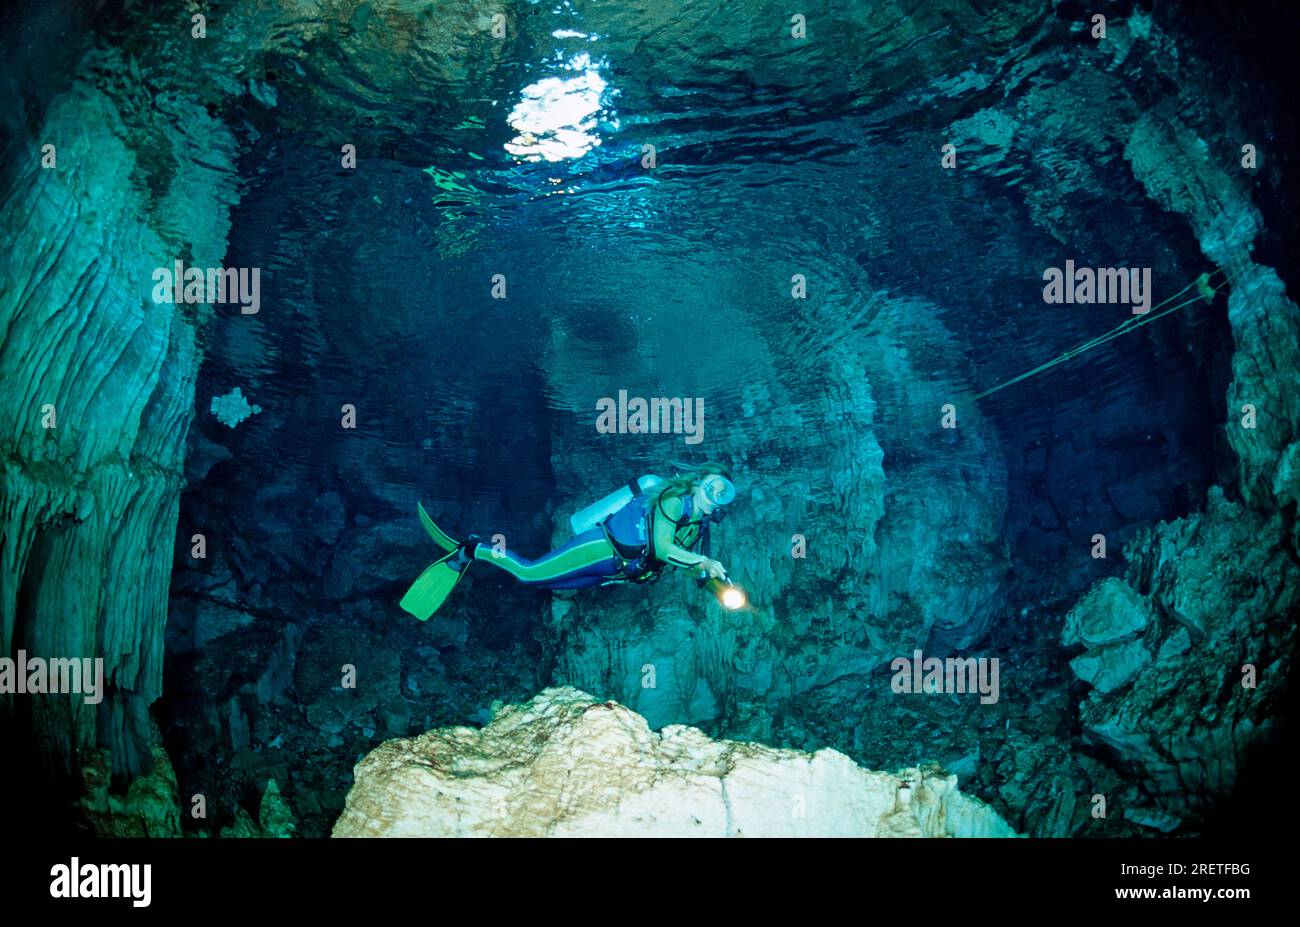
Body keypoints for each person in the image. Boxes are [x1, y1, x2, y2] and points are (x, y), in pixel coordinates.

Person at [399, 463, 736, 620]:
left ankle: (478, 550)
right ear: (700, 479)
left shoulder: (698, 527)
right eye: (713, 485)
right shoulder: (673, 499)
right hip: (599, 549)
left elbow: (683, 564)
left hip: (612, 573)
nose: (714, 494)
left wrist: (715, 583)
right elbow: (663, 548)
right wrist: (703, 562)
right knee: (529, 573)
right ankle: (472, 549)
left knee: (540, 585)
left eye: (723, 494)